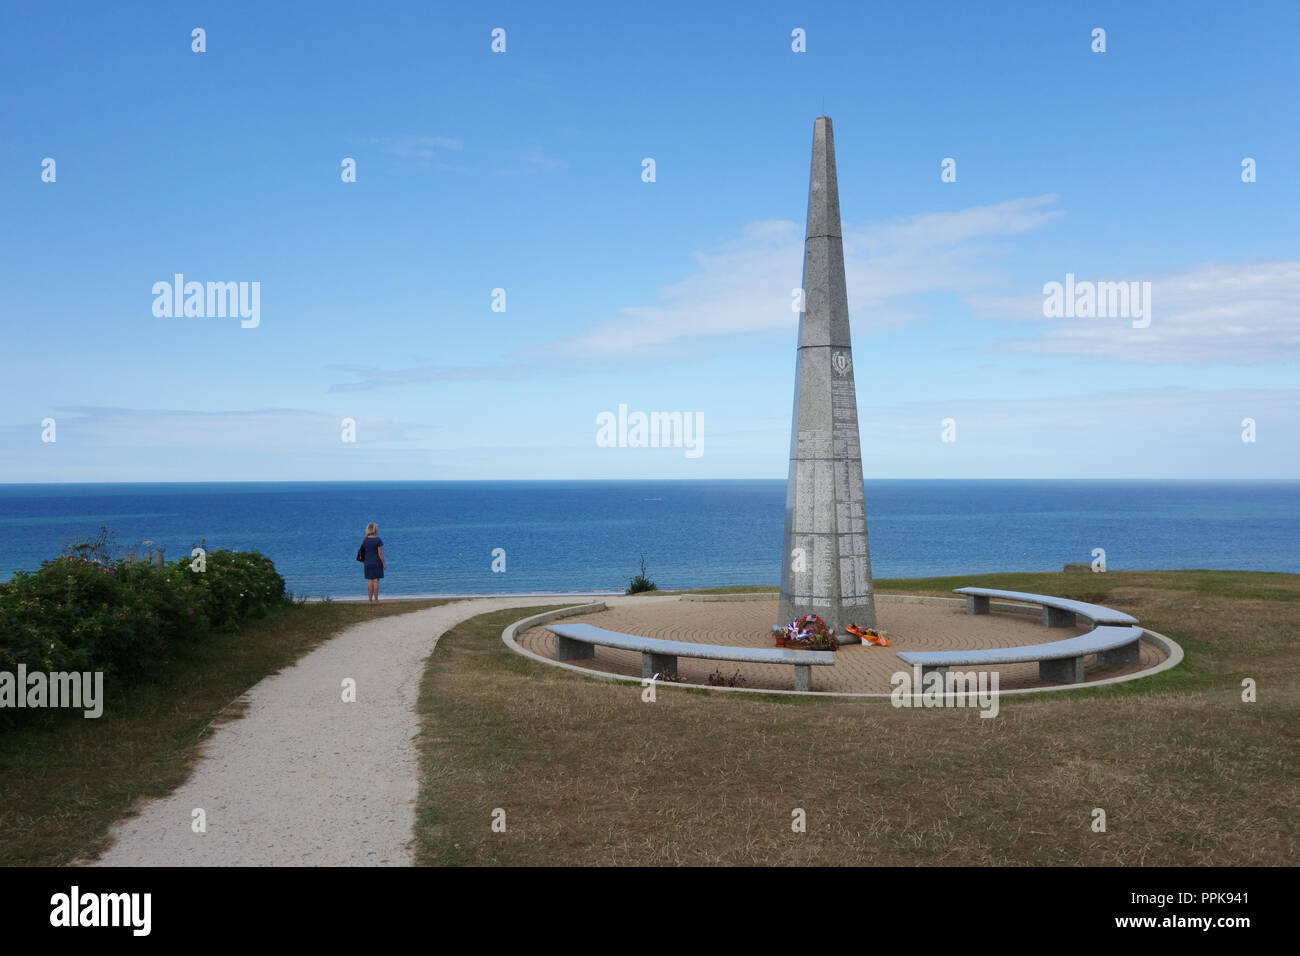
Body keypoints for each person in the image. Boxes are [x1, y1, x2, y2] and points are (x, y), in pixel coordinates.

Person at [360, 523, 386, 602]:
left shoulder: (365, 539)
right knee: (376, 581)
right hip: (377, 562)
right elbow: (380, 553)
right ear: (375, 530)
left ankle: (370, 600)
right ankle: (376, 600)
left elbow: (362, 551)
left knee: (369, 581)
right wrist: (384, 563)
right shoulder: (378, 540)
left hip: (367, 562)